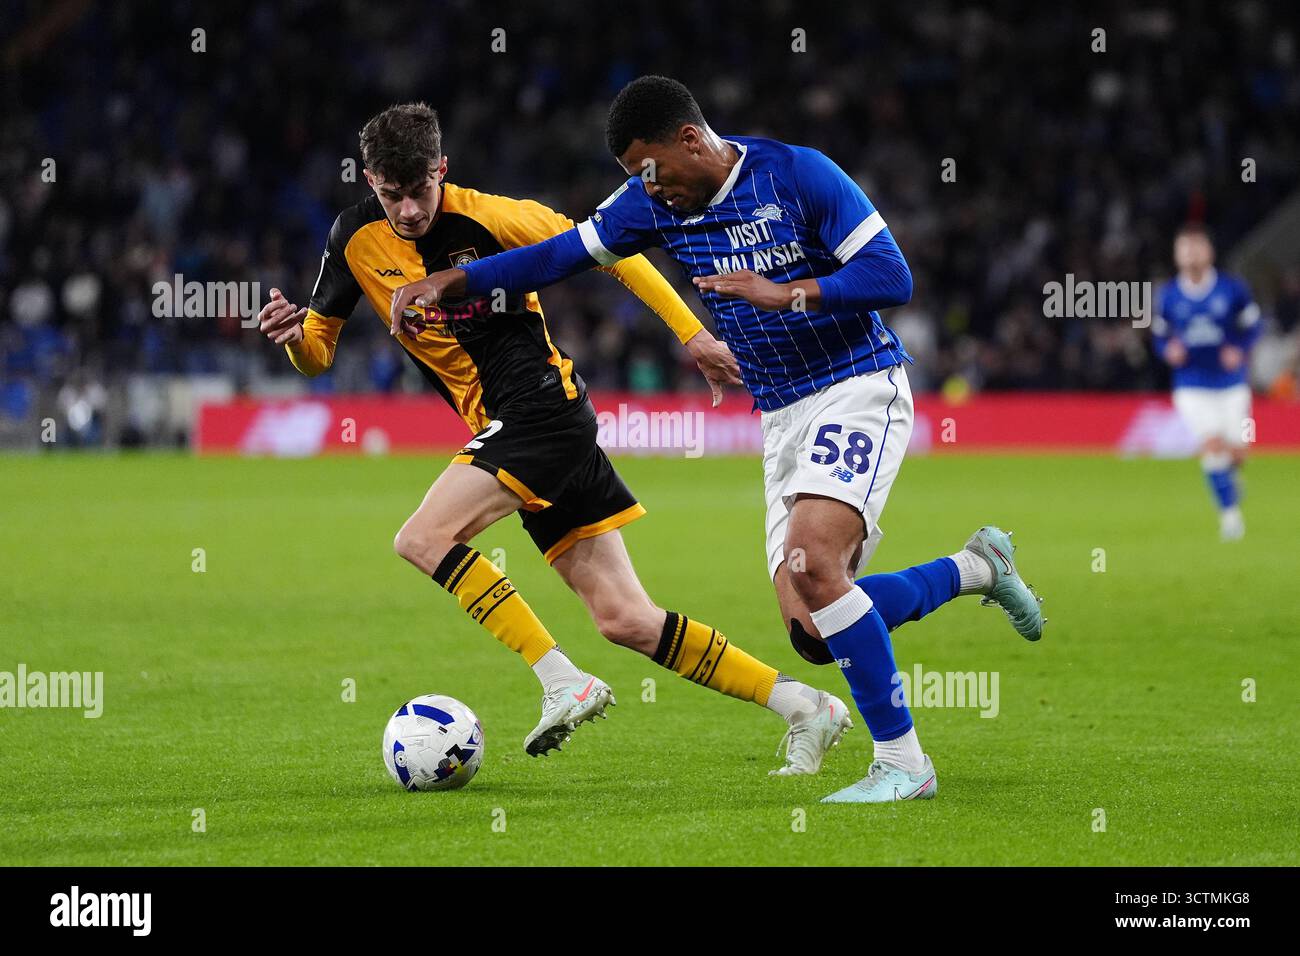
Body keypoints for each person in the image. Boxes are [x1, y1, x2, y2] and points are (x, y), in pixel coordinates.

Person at [392, 77, 1046, 803]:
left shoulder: (798, 174)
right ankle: (976, 568)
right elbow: (560, 255)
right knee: (815, 631)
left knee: (814, 562)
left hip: (858, 384)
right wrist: (454, 283)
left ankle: (903, 763)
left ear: (691, 140)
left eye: (654, 169)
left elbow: (893, 275)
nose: (651, 189)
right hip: (782, 413)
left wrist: (785, 292)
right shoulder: (648, 201)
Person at [257, 102, 850, 773]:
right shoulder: (352, 239)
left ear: (441, 170)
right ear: (370, 181)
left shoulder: (496, 217)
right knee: (626, 619)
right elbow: (317, 353)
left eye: (420, 190)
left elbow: (617, 256)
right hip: (522, 429)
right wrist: (290, 337)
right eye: (393, 195)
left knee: (421, 540)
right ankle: (804, 706)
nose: (411, 211)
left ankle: (561, 678)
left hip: (543, 410)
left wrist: (694, 335)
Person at [1153, 223, 1262, 540]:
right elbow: (1160, 338)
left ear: (1209, 251)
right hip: (1191, 385)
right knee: (1212, 444)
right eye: (1184, 248)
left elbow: (1254, 327)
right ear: (1177, 254)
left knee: (1239, 451)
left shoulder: (1232, 289)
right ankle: (1230, 516)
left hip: (1231, 383)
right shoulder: (1169, 295)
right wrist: (1168, 350)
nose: (1190, 254)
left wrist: (1239, 350)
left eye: (1196, 247)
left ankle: (1229, 479)